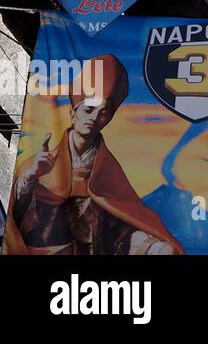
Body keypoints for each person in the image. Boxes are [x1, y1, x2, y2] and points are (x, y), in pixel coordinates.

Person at [4, 54, 183, 255]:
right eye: (89, 109)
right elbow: (19, 219)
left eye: (103, 112)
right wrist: (32, 175)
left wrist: (150, 246)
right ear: (73, 113)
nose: (95, 117)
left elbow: (124, 219)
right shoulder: (40, 162)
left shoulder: (106, 167)